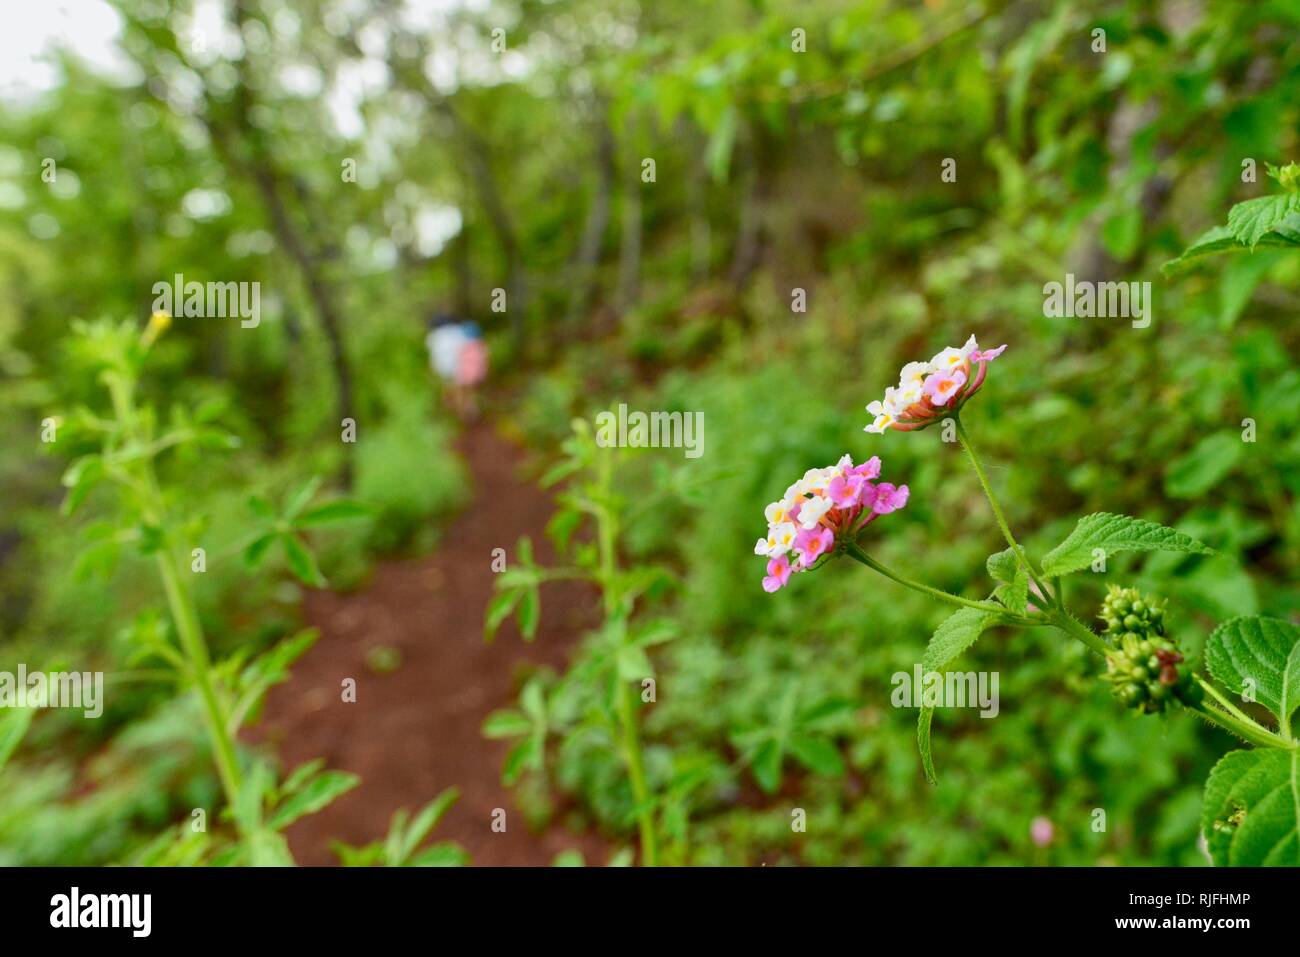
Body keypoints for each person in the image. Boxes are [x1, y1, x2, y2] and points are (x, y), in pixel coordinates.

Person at [426, 311, 487, 419]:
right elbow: (463, 348)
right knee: (462, 389)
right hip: (456, 366)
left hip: (441, 367)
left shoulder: (433, 336)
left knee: (448, 388)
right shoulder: (457, 332)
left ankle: (452, 410)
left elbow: (431, 352)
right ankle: (464, 409)